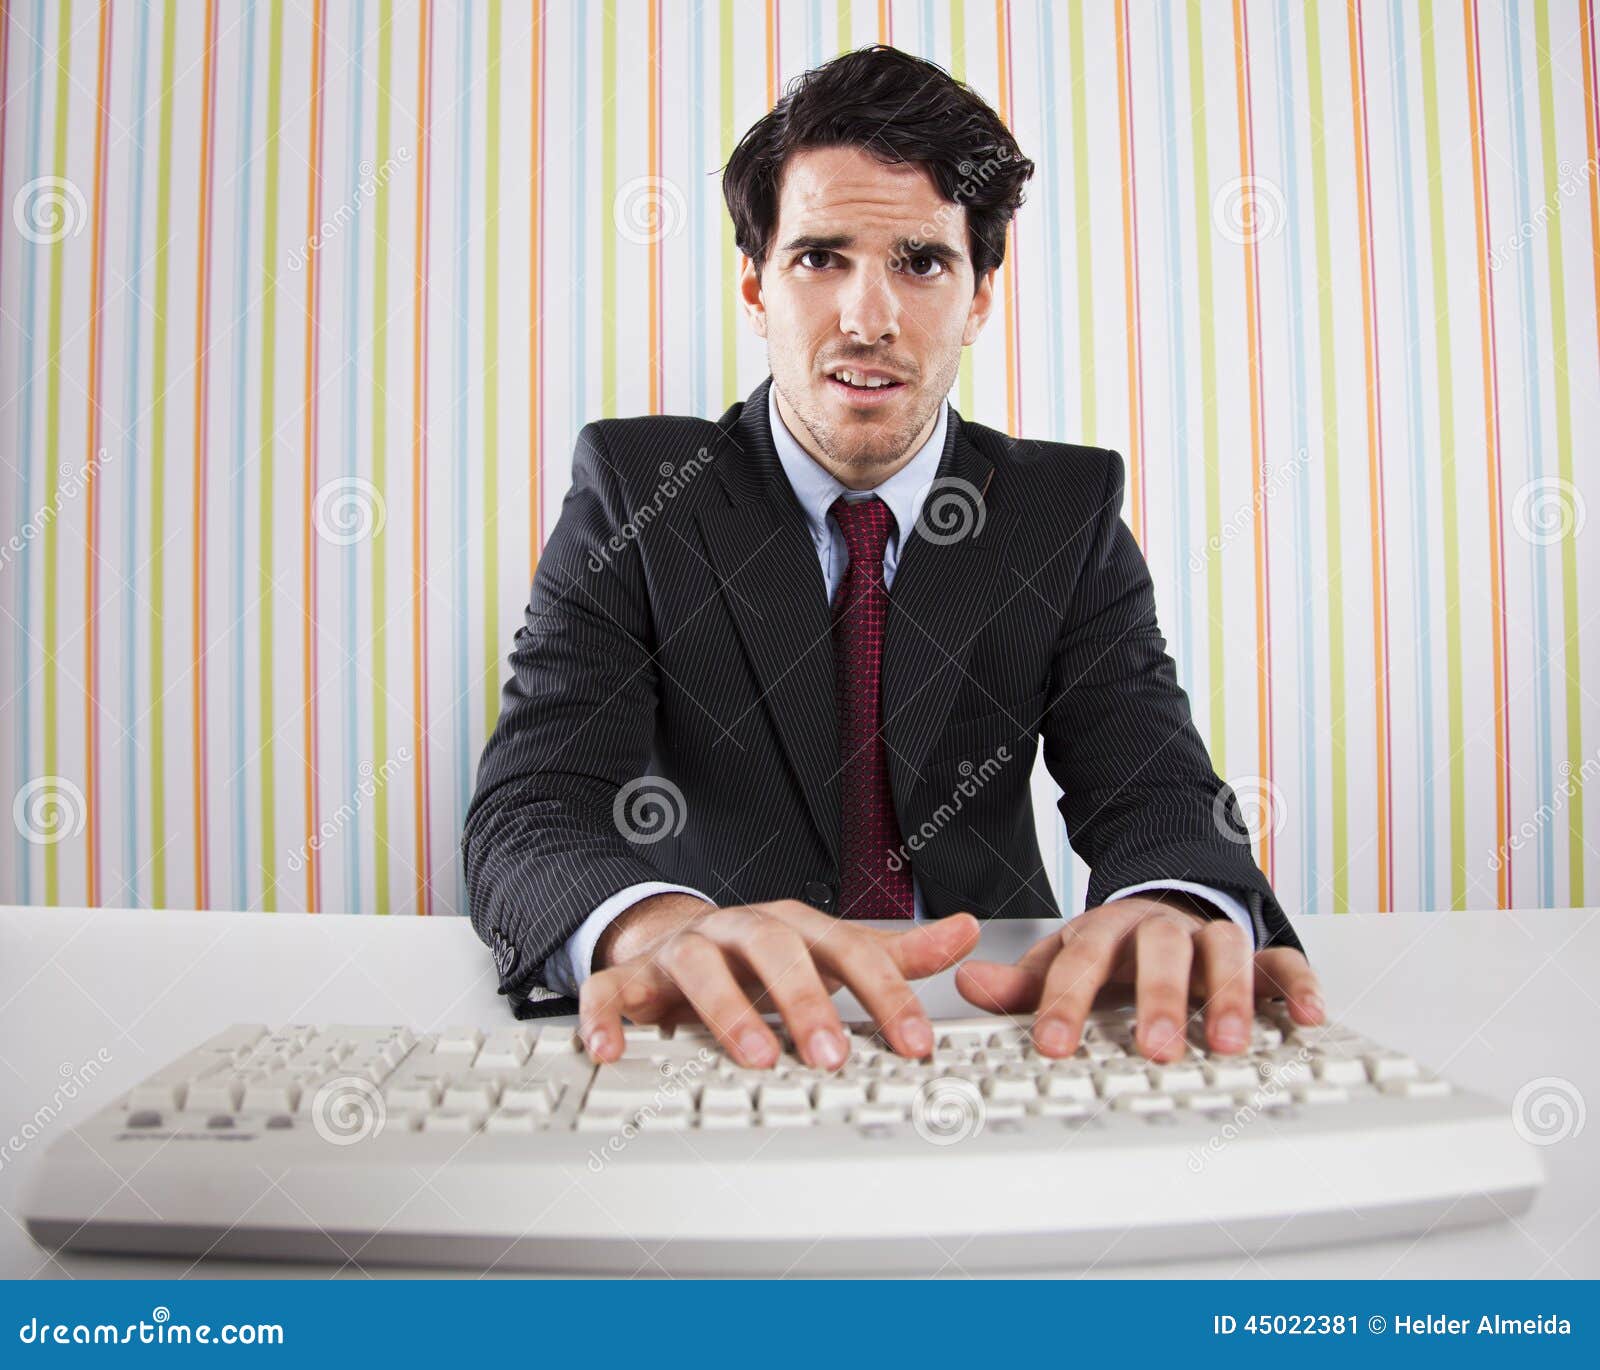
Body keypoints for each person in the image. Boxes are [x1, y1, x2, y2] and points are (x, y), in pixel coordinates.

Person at [462, 44, 1322, 1075]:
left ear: (978, 298)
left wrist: (1170, 901)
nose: (866, 319)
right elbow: (531, 805)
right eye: (820, 257)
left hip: (994, 1024)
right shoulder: (637, 489)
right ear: (757, 288)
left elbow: (1153, 785)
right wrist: (654, 929)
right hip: (722, 1035)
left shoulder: (1061, 512)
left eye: (920, 262)